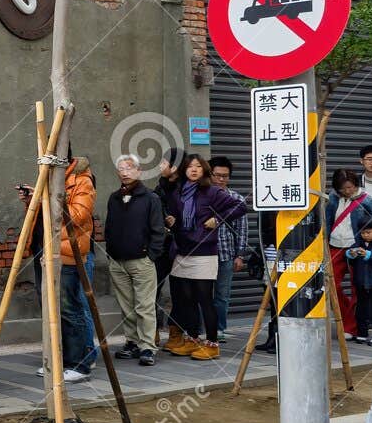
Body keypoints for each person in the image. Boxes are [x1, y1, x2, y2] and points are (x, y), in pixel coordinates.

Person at [158, 153, 248, 360]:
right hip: (182, 250)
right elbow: (165, 190)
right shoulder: (180, 190)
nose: (194, 169)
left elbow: (240, 207)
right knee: (185, 299)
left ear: (204, 169)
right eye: (190, 166)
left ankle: (213, 343)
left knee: (204, 299)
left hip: (204, 252)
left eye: (198, 166)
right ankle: (192, 339)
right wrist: (172, 220)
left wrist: (218, 219)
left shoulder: (212, 190)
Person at [105, 152, 166, 366]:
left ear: (139, 171)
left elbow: (159, 230)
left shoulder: (151, 198)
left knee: (145, 305)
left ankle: (148, 347)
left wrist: (151, 256)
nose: (125, 172)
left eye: (129, 168)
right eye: (121, 169)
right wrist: (110, 251)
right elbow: (109, 227)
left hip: (142, 261)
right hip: (117, 260)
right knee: (126, 305)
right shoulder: (114, 197)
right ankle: (132, 342)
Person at [56, 155, 99, 380]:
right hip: (48, 254)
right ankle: (58, 362)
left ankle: (80, 364)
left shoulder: (82, 181)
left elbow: (78, 217)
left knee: (72, 310)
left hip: (70, 256)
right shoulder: (51, 178)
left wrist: (51, 201)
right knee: (54, 313)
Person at [325, 168, 372, 340]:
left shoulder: (367, 200)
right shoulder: (332, 198)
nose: (348, 191)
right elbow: (327, 221)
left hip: (356, 247)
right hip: (334, 246)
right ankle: (348, 319)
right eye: (344, 188)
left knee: (358, 288)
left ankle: (352, 327)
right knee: (333, 286)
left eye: (351, 187)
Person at [208, 156, 251, 338]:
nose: (221, 179)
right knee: (201, 294)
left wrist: (240, 255)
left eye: (225, 176)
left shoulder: (237, 199)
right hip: (203, 255)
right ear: (210, 175)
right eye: (217, 175)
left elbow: (242, 230)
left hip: (226, 254)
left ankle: (219, 329)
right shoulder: (202, 197)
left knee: (221, 295)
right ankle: (201, 330)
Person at [347, 218, 372, 345]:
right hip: (361, 281)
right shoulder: (358, 243)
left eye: (368, 232)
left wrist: (368, 255)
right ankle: (361, 333)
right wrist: (351, 253)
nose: (365, 235)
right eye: (363, 233)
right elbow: (348, 256)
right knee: (360, 310)